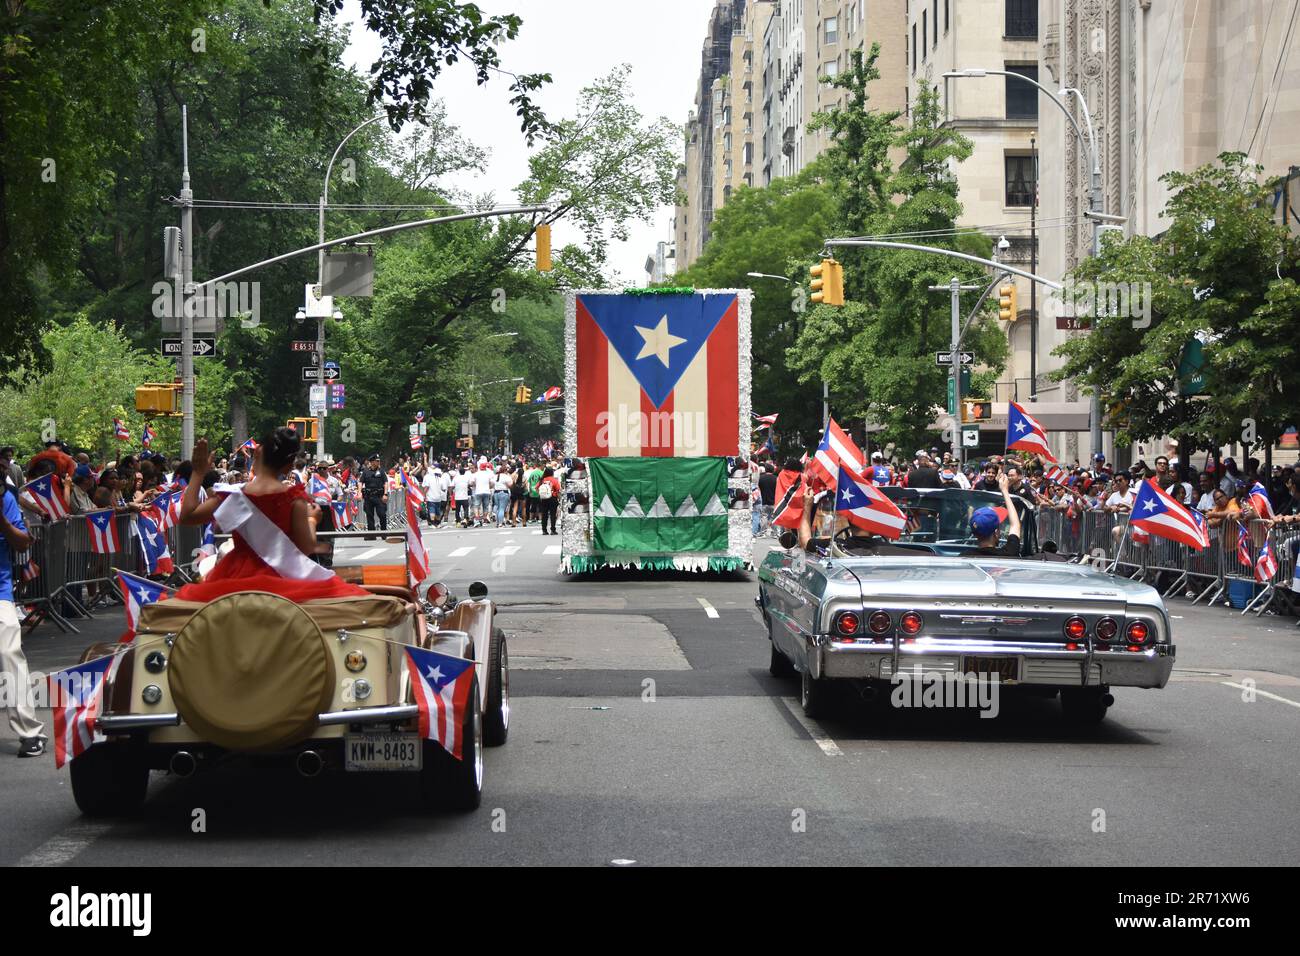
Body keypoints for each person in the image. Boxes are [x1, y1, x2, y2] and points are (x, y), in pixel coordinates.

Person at [175, 430, 369, 602]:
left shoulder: (232, 495)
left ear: (258, 453)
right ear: (288, 466)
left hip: (234, 577)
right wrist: (312, 520)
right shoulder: (294, 499)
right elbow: (305, 548)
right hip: (283, 579)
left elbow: (188, 516)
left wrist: (198, 473)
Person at [0, 478, 42, 756]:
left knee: (8, 651)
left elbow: (22, 541)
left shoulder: (6, 499)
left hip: (0, 592)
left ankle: (31, 733)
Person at [969, 473, 1022, 557]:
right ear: (997, 533)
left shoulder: (963, 557)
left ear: (974, 533)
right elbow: (1015, 525)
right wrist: (1004, 491)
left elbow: (1015, 526)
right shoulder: (1009, 554)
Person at [359, 453, 388, 534]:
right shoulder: (365, 472)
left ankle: (383, 532)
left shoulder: (381, 471)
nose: (379, 462)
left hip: (379, 496)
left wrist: (385, 494)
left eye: (379, 461)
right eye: (377, 461)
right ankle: (371, 534)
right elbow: (360, 482)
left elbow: (386, 482)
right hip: (369, 497)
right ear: (372, 462)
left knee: (382, 514)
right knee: (369, 515)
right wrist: (359, 493)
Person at [537, 466, 561, 535]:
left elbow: (536, 488)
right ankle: (553, 530)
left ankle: (544, 530)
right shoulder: (554, 480)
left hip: (543, 499)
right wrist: (558, 498)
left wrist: (541, 494)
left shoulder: (542, 480)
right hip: (552, 498)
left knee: (544, 514)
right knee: (553, 514)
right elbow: (558, 490)